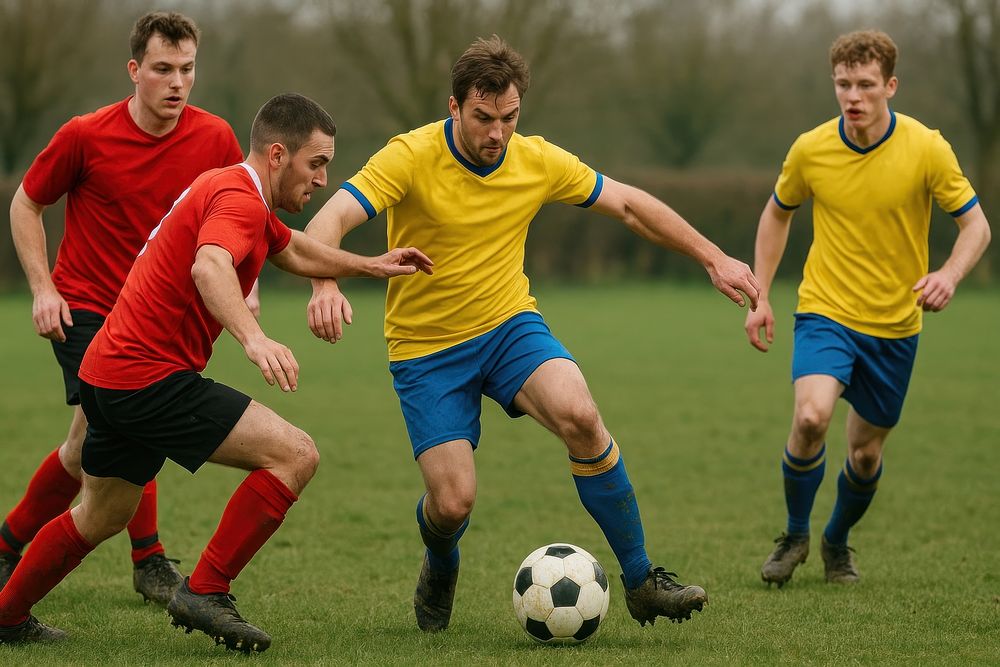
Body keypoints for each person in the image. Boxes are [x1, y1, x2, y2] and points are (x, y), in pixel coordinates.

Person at [304, 35, 760, 632]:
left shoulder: (536, 159)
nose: (498, 133)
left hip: (509, 326)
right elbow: (332, 216)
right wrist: (324, 284)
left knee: (581, 415)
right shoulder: (409, 156)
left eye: (510, 118)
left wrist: (712, 256)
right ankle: (441, 560)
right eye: (484, 118)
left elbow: (625, 203)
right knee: (452, 503)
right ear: (454, 107)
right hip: (427, 351)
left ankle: (642, 579)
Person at [0, 93, 433, 650]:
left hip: (107, 375)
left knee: (102, 514)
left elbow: (292, 251)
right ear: (278, 154)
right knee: (295, 454)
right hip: (148, 378)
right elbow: (210, 265)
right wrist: (254, 339)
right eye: (317, 163)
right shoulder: (238, 200)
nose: (323, 179)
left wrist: (372, 265)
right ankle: (205, 590)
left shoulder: (233, 187)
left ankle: (7, 614)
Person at [4, 11, 250, 605]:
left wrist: (245, 281)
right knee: (130, 420)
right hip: (85, 311)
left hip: (155, 321)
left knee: (79, 447)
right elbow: (25, 204)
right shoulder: (85, 134)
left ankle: (9, 542)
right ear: (134, 70)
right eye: (163, 69)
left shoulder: (215, 138)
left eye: (187, 69)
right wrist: (43, 289)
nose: (177, 82)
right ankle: (150, 559)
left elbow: (240, 210)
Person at [746, 30, 991, 587]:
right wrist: (762, 294)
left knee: (863, 455)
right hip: (825, 310)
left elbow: (976, 225)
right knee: (810, 419)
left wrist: (949, 275)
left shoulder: (927, 148)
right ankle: (795, 535)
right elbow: (777, 213)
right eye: (842, 84)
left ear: (890, 86)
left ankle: (836, 541)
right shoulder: (811, 149)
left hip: (895, 325)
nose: (852, 96)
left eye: (864, 85)